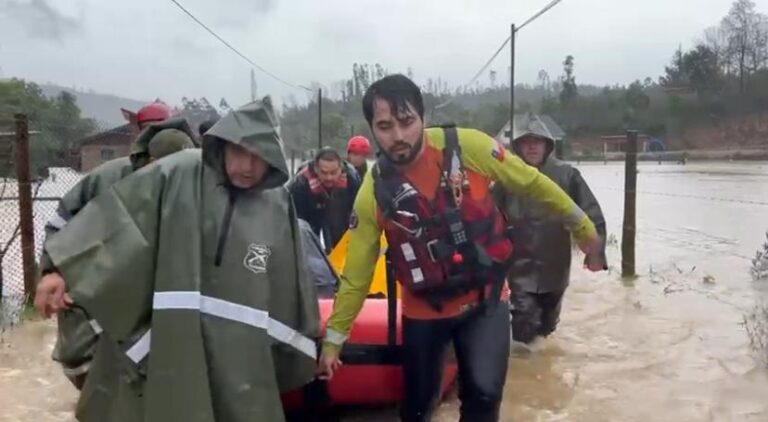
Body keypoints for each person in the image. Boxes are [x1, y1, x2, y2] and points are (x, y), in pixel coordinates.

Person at [316, 75, 603, 422]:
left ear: (422, 117)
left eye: (407, 122)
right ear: (373, 130)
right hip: (424, 311)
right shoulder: (372, 193)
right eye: (385, 126)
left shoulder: (471, 148)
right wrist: (333, 341)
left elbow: (532, 183)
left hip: (486, 301)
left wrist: (584, 230)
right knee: (418, 406)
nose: (399, 136)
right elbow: (357, 275)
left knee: (483, 396)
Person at [34, 99, 319, 422]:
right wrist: (57, 270)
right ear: (222, 145)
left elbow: (290, 277)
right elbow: (119, 220)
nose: (248, 166)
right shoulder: (178, 173)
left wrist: (308, 343)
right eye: (240, 152)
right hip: (170, 336)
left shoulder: (277, 203)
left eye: (259, 157)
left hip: (240, 353)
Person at [38, 118, 196, 389]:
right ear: (147, 160)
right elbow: (62, 226)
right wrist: (53, 270)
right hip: (100, 298)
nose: (171, 177)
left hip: (158, 307)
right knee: (93, 377)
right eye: (162, 168)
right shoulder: (108, 179)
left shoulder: (200, 189)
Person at [493, 113, 607, 346]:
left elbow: (591, 213)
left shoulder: (568, 175)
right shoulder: (507, 177)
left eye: (538, 141)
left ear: (547, 145)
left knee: (547, 326)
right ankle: (525, 369)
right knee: (524, 323)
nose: (532, 146)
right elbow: (485, 214)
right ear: (518, 146)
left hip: (556, 266)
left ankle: (542, 370)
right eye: (526, 141)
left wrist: (596, 253)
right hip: (519, 266)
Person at [288, 147, 361, 252]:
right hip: (309, 213)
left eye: (333, 172)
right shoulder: (300, 183)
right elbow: (298, 219)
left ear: (341, 168)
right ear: (316, 169)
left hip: (339, 212)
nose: (329, 178)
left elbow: (357, 211)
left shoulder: (351, 178)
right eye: (324, 173)